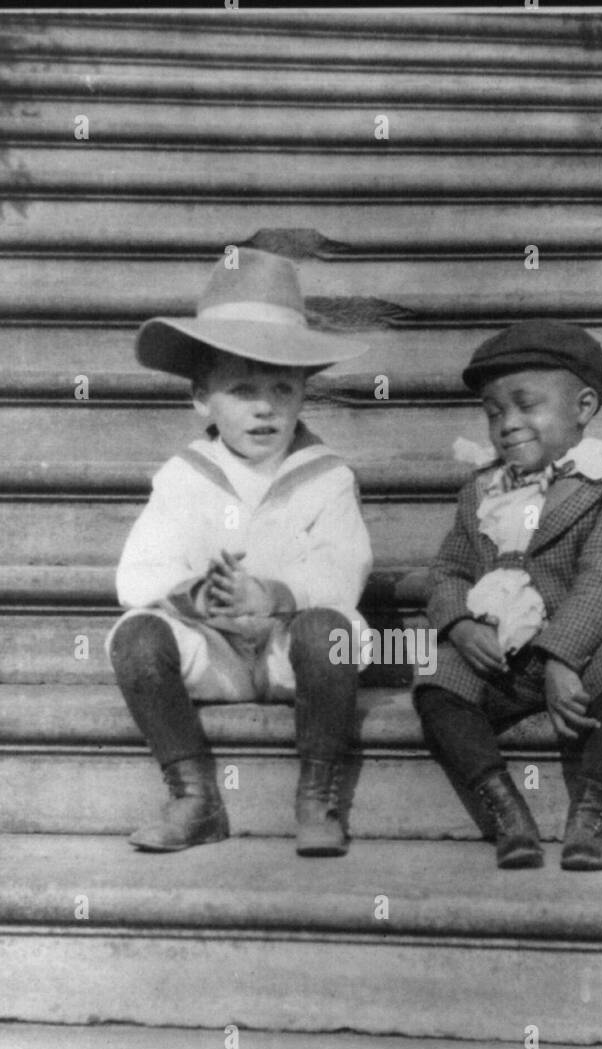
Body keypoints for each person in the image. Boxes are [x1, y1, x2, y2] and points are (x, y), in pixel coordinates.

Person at [106, 248, 373, 856]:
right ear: (202, 398)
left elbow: (345, 565)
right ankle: (194, 795)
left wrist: (279, 595)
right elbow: (140, 571)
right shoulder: (183, 476)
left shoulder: (327, 475)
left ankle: (317, 792)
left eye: (283, 388)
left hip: (288, 653)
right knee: (137, 637)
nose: (264, 407)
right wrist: (201, 599)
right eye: (242, 389)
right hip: (216, 655)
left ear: (305, 393)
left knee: (332, 631)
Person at [413, 320, 602, 870]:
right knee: (437, 680)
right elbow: (448, 571)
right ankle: (506, 809)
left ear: (582, 407)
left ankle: (592, 812)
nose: (507, 424)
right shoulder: (483, 491)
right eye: (493, 411)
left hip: (588, 646)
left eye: (526, 405)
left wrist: (560, 657)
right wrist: (459, 623)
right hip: (505, 654)